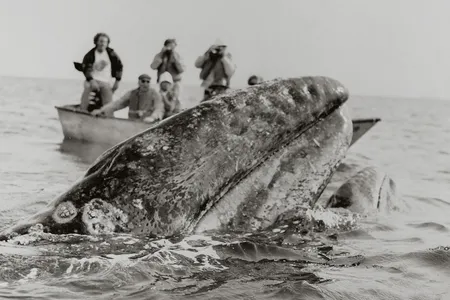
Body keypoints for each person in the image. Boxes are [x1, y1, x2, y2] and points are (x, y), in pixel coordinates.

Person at [79, 33, 123, 115]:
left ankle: (108, 119)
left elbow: (119, 67)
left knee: (109, 105)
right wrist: (91, 80)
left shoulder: (112, 54)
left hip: (106, 82)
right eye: (101, 41)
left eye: (105, 42)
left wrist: (117, 82)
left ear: (107, 43)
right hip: (92, 80)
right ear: (96, 42)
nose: (103, 44)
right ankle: (82, 113)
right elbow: (86, 69)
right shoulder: (90, 54)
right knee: (86, 96)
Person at [91, 74, 164, 123]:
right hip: (132, 123)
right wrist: (101, 110)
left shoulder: (155, 94)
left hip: (147, 124)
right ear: (139, 82)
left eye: (148, 82)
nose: (145, 84)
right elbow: (117, 104)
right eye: (143, 81)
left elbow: (159, 108)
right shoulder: (131, 93)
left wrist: (153, 117)